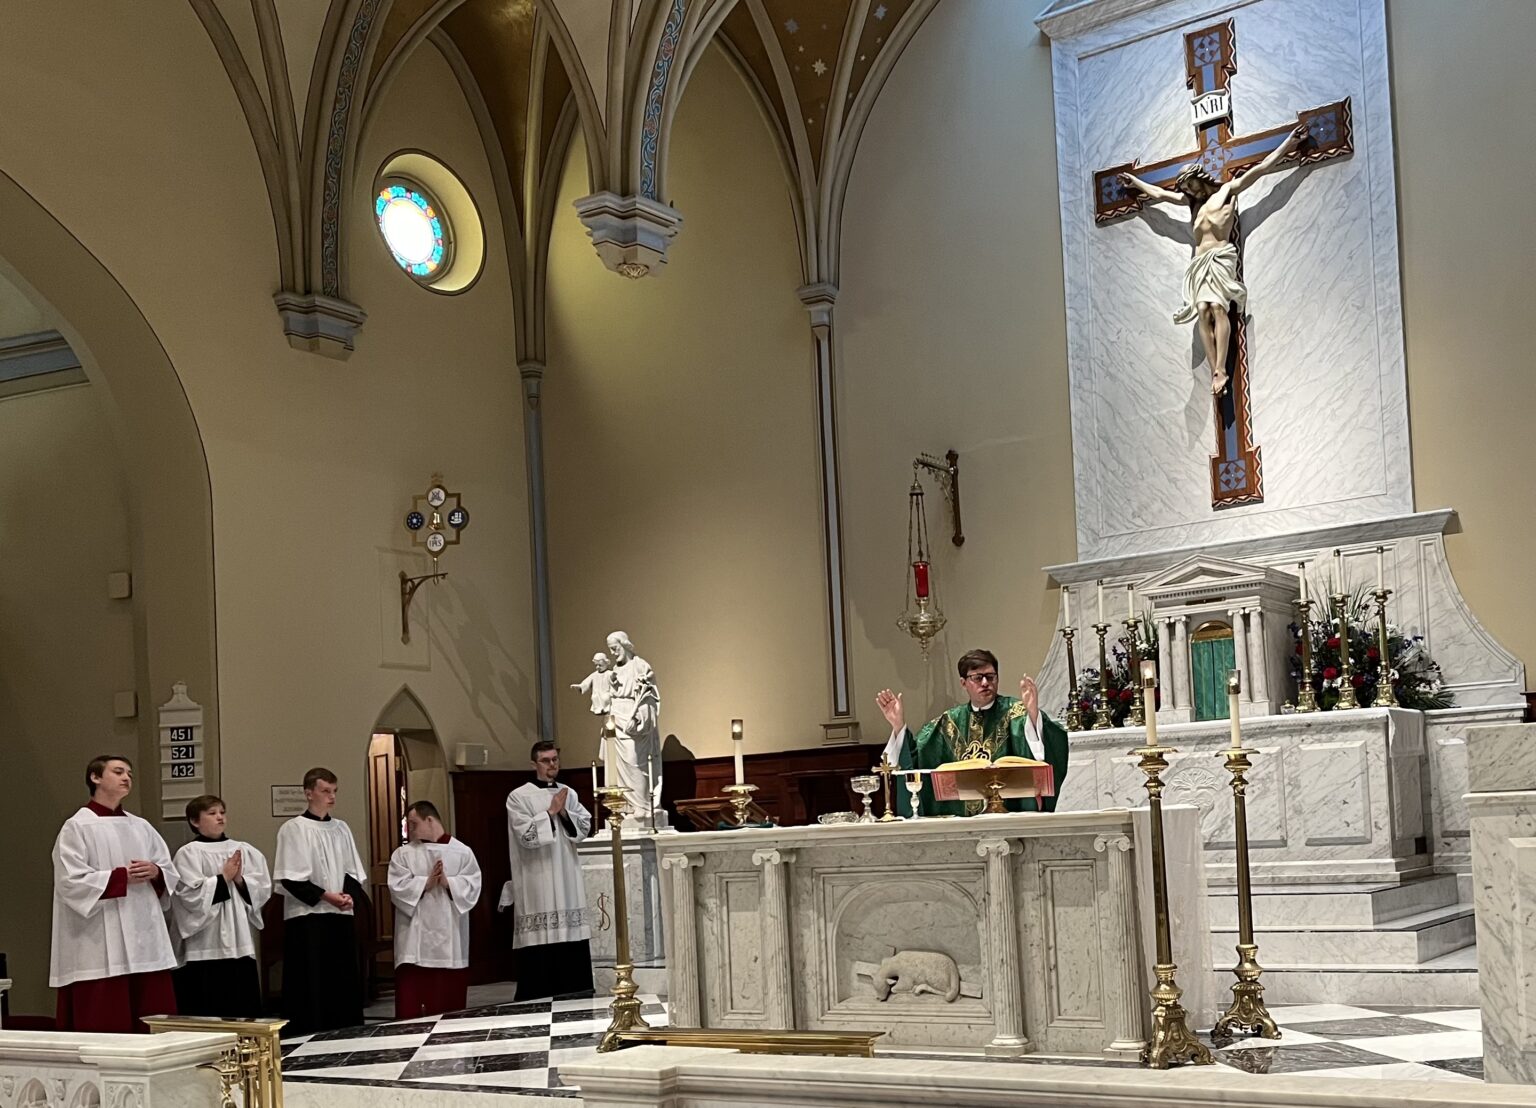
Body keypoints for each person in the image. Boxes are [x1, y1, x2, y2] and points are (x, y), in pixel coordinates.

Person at [1119, 124, 1308, 394]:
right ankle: (1214, 369)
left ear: (1199, 177)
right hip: (1199, 262)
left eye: (1190, 185)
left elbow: (1262, 168)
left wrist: (1288, 144)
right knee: (1203, 311)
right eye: (1184, 188)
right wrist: (1136, 183)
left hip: (1220, 257)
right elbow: (1160, 195)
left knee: (1218, 308)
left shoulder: (1227, 192)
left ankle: (1222, 368)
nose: (1188, 191)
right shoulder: (1191, 204)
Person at [49, 754, 180, 1032]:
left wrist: (156, 872)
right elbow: (70, 881)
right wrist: (121, 877)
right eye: (118, 772)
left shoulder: (141, 826)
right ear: (95, 778)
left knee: (152, 1018)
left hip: (143, 935)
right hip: (96, 939)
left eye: (130, 774)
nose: (126, 778)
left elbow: (168, 870)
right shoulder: (77, 826)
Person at [876, 649, 1069, 818]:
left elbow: (1047, 751)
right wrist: (898, 725)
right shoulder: (949, 722)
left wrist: (1034, 715)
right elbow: (915, 758)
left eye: (991, 677)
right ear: (963, 682)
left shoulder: (1016, 713)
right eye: (977, 678)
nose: (985, 683)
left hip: (1009, 818)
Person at [273, 766, 367, 1035]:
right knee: (311, 977)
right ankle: (308, 1029)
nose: (332, 797)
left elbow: (352, 870)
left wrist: (348, 895)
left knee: (342, 976)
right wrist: (327, 896)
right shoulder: (293, 829)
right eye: (325, 791)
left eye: (334, 791)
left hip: (339, 914)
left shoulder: (341, 828)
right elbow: (290, 877)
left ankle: (345, 1028)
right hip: (308, 917)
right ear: (308, 793)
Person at [504, 741, 593, 1000]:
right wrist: (550, 812)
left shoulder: (569, 793)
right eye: (546, 760)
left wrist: (564, 813)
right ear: (534, 764)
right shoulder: (518, 796)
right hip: (537, 877)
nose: (552, 764)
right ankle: (536, 995)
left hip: (566, 876)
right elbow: (526, 836)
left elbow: (583, 826)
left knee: (571, 940)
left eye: (555, 759)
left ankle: (575, 992)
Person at [170, 794, 271, 1017]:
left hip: (238, 938)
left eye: (222, 812)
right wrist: (221, 878)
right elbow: (187, 895)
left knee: (242, 1002)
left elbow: (262, 887)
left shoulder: (244, 850)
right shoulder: (188, 854)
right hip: (205, 941)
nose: (220, 818)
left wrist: (240, 880)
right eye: (212, 813)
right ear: (195, 821)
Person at [388, 800, 482, 1019]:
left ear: (430, 820)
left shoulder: (462, 852)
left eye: (413, 823)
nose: (410, 830)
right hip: (414, 942)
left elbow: (473, 886)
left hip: (450, 940)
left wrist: (449, 883)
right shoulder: (403, 854)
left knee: (448, 1011)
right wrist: (425, 883)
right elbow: (397, 888)